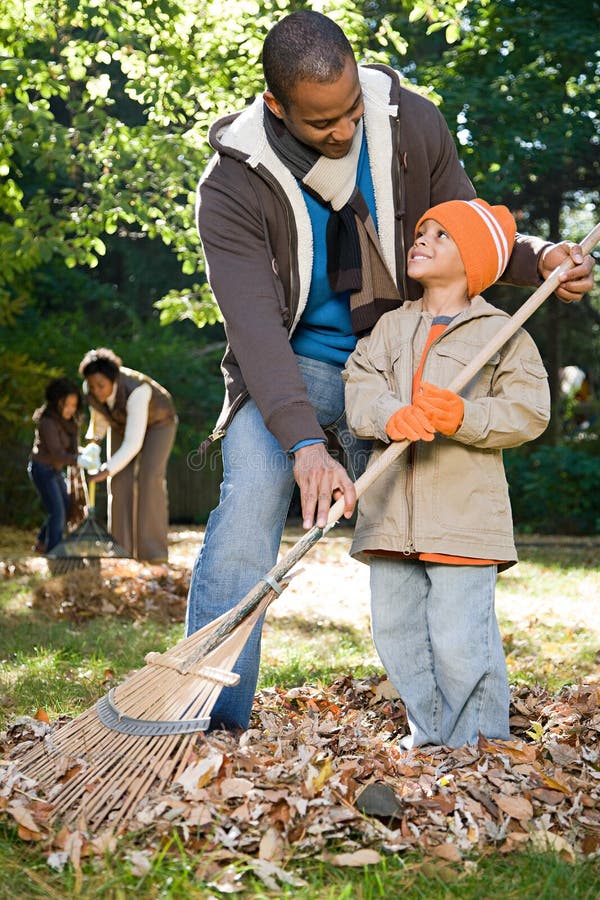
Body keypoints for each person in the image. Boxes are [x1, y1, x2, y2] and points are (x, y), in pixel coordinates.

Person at [186, 10, 595, 733]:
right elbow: (254, 331)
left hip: (406, 357)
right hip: (293, 369)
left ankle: (460, 734)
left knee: (425, 546)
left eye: (350, 112)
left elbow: (467, 226)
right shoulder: (231, 186)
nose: (344, 132)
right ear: (277, 108)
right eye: (322, 124)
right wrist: (305, 447)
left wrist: (542, 258)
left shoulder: (409, 123)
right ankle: (213, 722)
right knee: (246, 516)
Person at [343, 198, 551, 748]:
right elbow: (359, 384)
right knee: (398, 633)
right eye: (421, 231)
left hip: (464, 517)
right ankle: (431, 735)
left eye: (442, 235)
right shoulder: (390, 327)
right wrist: (391, 414)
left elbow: (529, 411)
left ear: (475, 262)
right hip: (389, 516)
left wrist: (465, 417)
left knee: (460, 639)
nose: (422, 239)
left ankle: (478, 744)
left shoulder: (503, 332)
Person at [78, 348, 178, 563]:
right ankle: (120, 551)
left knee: (149, 478)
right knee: (118, 481)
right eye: (92, 386)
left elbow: (133, 443)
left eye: (101, 386)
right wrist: (93, 444)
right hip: (121, 423)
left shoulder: (137, 391)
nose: (96, 391)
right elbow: (100, 418)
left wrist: (106, 469)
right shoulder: (91, 389)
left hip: (159, 423)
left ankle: (153, 554)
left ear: (114, 379)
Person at [28, 378, 83, 553]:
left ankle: (42, 542)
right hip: (42, 470)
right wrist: (78, 460)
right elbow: (58, 454)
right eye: (66, 405)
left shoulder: (70, 424)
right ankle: (55, 552)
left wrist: (83, 453)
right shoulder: (47, 423)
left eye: (74, 405)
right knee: (57, 511)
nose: (70, 409)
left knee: (64, 507)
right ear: (56, 402)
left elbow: (71, 450)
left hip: (55, 469)